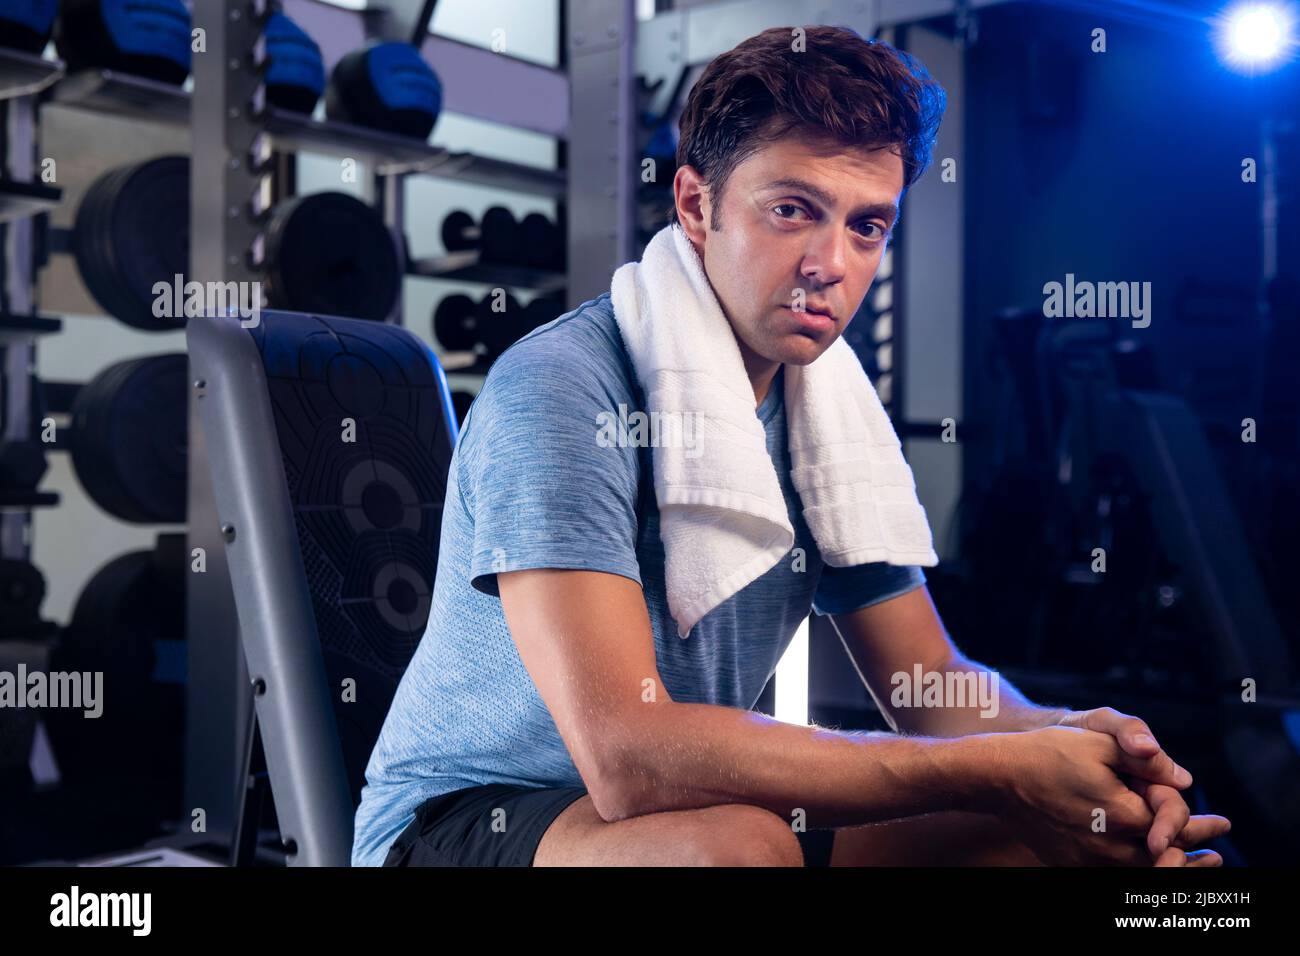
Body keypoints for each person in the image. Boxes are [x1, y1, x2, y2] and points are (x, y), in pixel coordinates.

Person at [351, 24, 1230, 867]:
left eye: (867, 226)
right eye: (792, 210)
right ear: (697, 205)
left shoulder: (825, 411)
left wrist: (1069, 742)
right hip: (463, 822)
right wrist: (999, 771)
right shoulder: (564, 387)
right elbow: (628, 754)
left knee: (1054, 835)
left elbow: (926, 686)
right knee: (736, 850)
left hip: (684, 811)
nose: (831, 263)